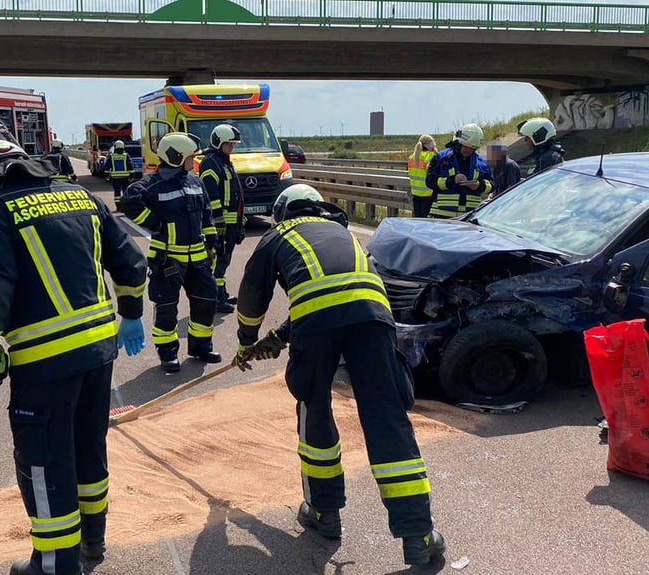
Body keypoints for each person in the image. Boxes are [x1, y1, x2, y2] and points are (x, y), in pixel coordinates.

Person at [0, 139, 147, 575]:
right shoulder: (81, 196)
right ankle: (91, 544)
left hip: (45, 363)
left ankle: (57, 566)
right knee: (87, 450)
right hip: (100, 353)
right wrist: (131, 315)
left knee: (44, 461)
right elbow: (131, 262)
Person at [232, 183, 446, 567]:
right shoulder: (343, 233)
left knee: (315, 410)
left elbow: (253, 297)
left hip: (319, 324)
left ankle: (323, 511)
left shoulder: (277, 235)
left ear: (283, 212)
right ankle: (419, 533)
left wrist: (248, 340)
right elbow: (339, 294)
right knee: (388, 420)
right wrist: (279, 338)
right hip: (374, 319)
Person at [120, 132, 222, 373]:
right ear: (176, 157)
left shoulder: (195, 182)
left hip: (198, 260)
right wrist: (154, 223)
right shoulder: (151, 185)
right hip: (168, 259)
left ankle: (201, 347)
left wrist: (213, 239)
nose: (193, 162)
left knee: (206, 303)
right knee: (166, 309)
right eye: (190, 157)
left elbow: (206, 212)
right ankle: (168, 355)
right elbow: (128, 202)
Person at [198, 124, 245, 314]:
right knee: (218, 261)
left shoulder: (224, 161)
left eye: (233, 145)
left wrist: (240, 222)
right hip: (222, 223)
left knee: (224, 260)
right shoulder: (211, 162)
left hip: (231, 221)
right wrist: (218, 221)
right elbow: (211, 194)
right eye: (229, 144)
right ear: (218, 142)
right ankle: (215, 299)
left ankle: (221, 293)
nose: (231, 148)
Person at [426, 123, 493, 218]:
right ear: (458, 143)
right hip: (441, 215)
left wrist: (479, 185)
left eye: (472, 148)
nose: (468, 150)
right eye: (465, 146)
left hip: (469, 217)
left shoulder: (482, 163)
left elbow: (492, 185)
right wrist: (451, 180)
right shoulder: (441, 158)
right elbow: (429, 181)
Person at [407, 134, 437, 218]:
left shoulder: (412, 157)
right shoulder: (430, 156)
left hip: (415, 192)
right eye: (432, 143)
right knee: (425, 219)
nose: (434, 145)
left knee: (417, 217)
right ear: (426, 145)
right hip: (427, 192)